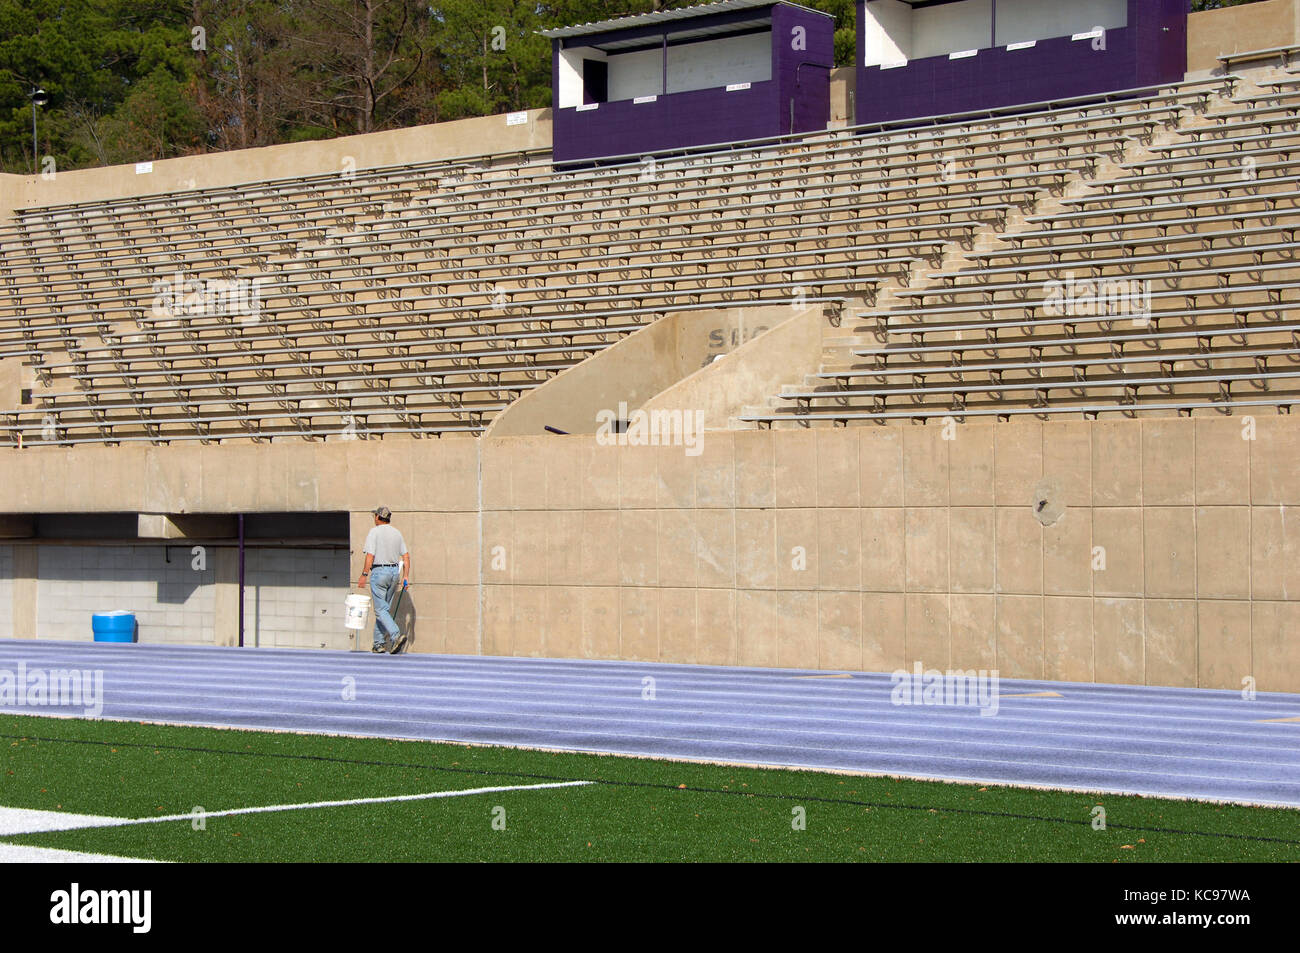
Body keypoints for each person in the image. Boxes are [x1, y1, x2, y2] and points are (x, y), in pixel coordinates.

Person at [356, 506, 411, 654]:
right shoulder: (397, 533)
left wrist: (364, 574)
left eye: (374, 516)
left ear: (378, 517)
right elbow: (406, 556)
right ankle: (378, 643)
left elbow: (370, 556)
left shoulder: (374, 532)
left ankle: (395, 635)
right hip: (394, 573)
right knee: (384, 610)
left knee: (380, 610)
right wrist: (405, 576)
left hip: (379, 572)